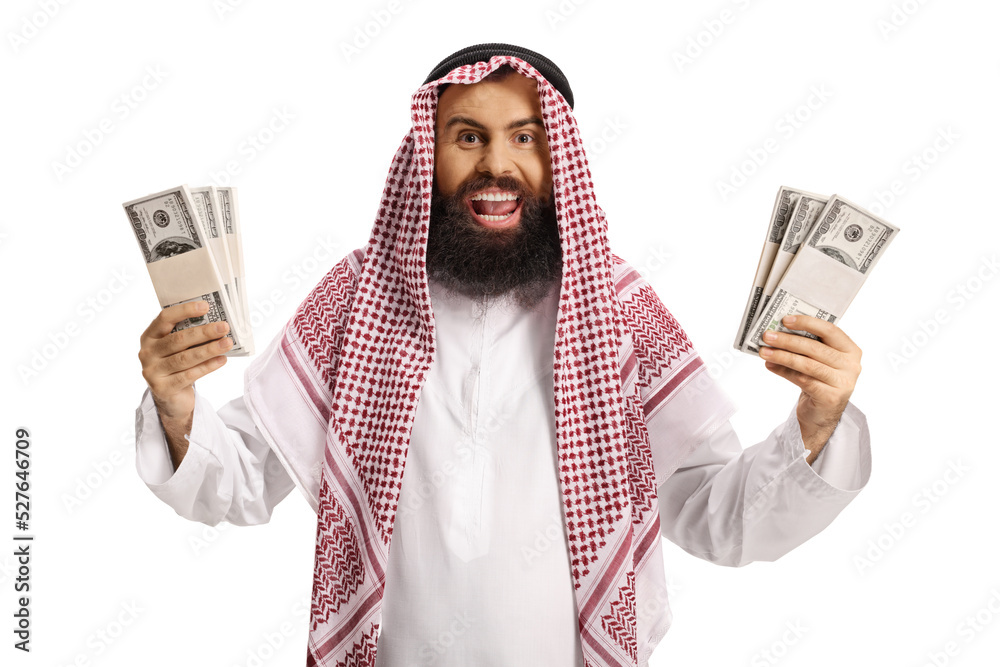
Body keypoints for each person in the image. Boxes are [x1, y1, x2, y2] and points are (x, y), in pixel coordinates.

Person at [135, 44, 870, 667]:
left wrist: (817, 421)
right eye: (468, 137)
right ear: (430, 153)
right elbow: (236, 481)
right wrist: (174, 405)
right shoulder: (356, 302)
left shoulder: (618, 315)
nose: (498, 165)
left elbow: (720, 517)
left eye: (525, 137)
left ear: (560, 161)